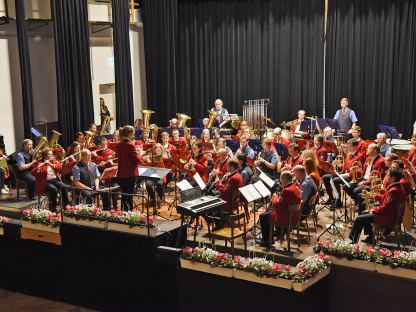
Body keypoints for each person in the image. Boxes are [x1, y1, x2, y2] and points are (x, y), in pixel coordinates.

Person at [349, 169, 406, 244]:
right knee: (363, 213)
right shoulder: (397, 186)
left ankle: (353, 241)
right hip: (388, 213)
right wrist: (374, 195)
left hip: (387, 217)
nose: (387, 177)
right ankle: (370, 236)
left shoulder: (394, 190)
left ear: (393, 178)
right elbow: (386, 199)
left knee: (359, 219)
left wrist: (374, 210)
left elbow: (386, 207)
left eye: (388, 175)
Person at [258, 171, 301, 247]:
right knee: (267, 213)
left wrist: (274, 197)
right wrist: (279, 197)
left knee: (263, 216)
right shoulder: (296, 186)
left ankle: (267, 240)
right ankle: (273, 234)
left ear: (286, 179)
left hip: (286, 217)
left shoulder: (286, 190)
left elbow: (277, 205)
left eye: (281, 178)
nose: (280, 180)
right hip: (294, 215)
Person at [322, 138, 365, 207]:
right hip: (345, 174)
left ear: (355, 147)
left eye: (350, 146)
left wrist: (344, 174)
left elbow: (358, 170)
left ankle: (338, 201)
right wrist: (338, 165)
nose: (348, 147)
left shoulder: (360, 156)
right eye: (348, 145)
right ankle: (331, 198)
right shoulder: (348, 154)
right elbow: (344, 168)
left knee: (335, 180)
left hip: (352, 176)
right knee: (326, 177)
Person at [351, 144, 387, 214]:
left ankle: (360, 209)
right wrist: (356, 170)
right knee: (349, 186)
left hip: (371, 184)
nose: (366, 150)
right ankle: (358, 204)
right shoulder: (368, 158)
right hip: (363, 178)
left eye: (369, 149)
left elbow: (375, 177)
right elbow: (364, 172)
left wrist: (364, 183)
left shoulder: (381, 161)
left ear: (375, 151)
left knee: (356, 191)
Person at [116, 125, 142, 210]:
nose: (134, 135)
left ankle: (124, 211)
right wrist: (141, 155)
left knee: (124, 193)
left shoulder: (119, 144)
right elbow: (136, 159)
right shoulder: (130, 145)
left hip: (121, 173)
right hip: (130, 173)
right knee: (130, 194)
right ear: (130, 134)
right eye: (133, 133)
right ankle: (129, 211)